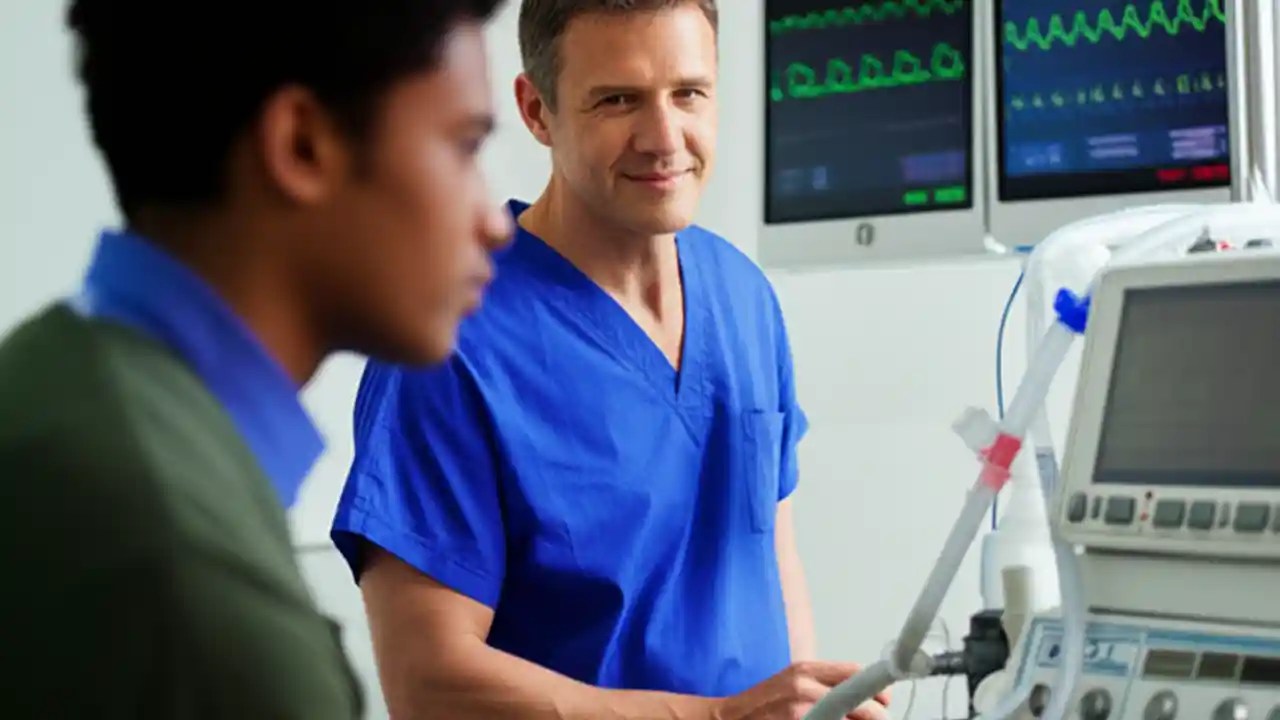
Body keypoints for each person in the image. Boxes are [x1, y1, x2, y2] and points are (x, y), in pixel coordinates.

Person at [331, 1, 891, 718]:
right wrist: (717, 718)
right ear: (538, 112)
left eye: (688, 93)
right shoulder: (448, 339)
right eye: (618, 100)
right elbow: (429, 681)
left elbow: (770, 560)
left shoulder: (741, 294)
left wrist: (812, 703)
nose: (664, 139)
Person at [0, 1, 509, 717]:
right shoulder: (192, 586)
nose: (494, 222)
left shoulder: (49, 379)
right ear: (302, 144)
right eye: (463, 146)